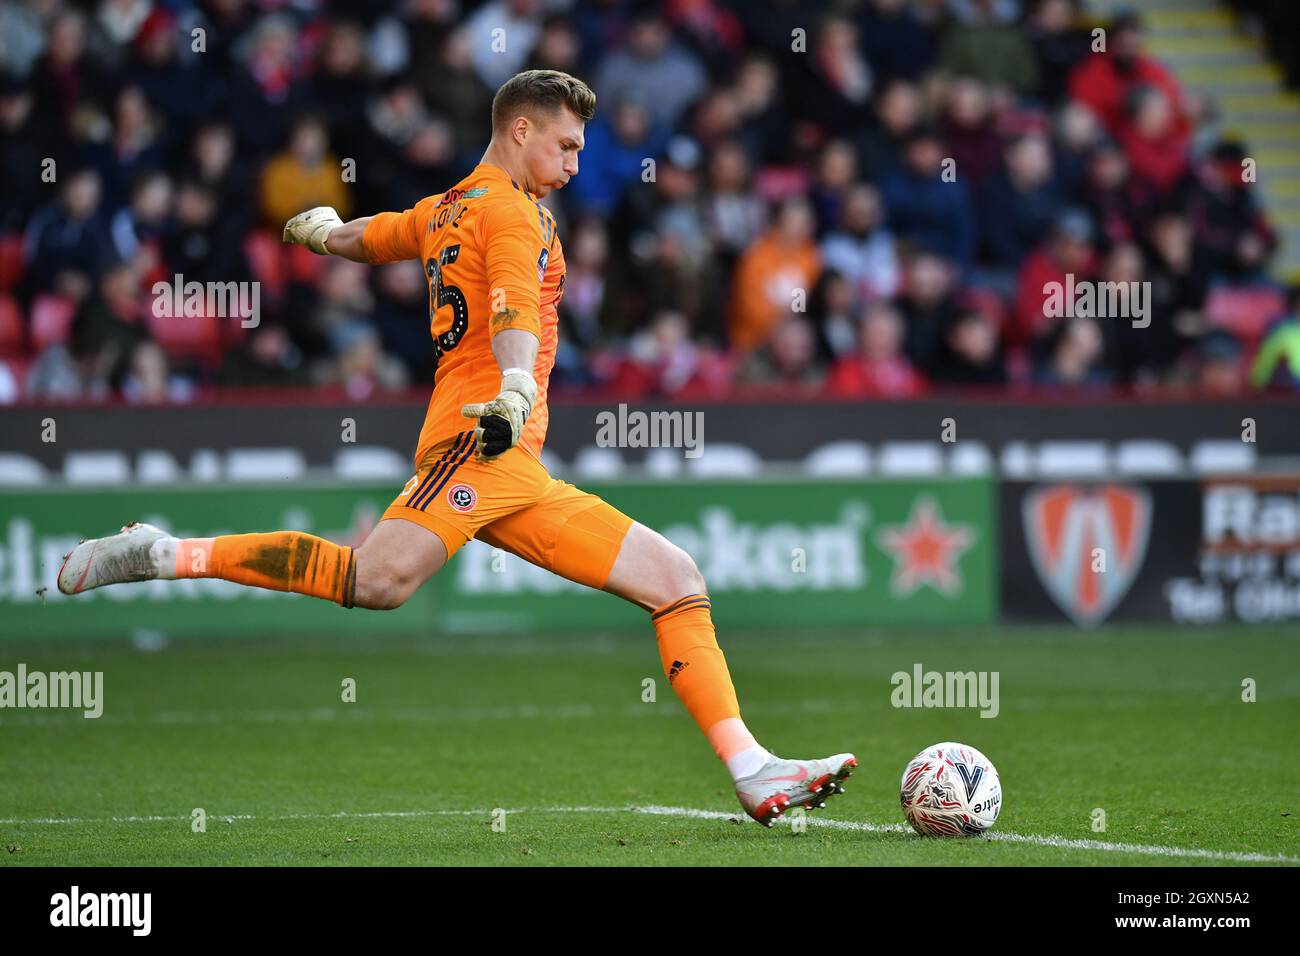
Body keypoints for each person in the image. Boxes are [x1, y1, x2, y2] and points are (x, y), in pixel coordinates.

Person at [56, 69, 855, 827]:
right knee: (376, 581)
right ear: (520, 128)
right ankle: (160, 555)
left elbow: (382, 237)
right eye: (567, 145)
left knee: (676, 580)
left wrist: (329, 233)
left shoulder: (449, 206)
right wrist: (512, 389)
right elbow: (511, 306)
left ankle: (752, 768)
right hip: (481, 441)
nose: (577, 162)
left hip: (516, 465)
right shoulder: (510, 211)